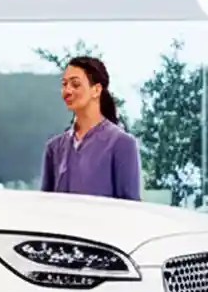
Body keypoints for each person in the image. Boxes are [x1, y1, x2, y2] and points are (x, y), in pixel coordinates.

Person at [40, 56, 142, 201]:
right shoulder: (54, 148)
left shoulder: (122, 144)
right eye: (64, 84)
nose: (67, 91)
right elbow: (45, 205)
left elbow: (130, 207)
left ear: (96, 90)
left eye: (75, 84)